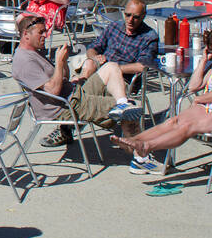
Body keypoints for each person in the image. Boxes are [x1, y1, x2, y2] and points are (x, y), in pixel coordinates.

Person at [115, 26, 212, 169]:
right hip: (210, 107)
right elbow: (193, 86)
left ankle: (147, 146)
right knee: (174, 121)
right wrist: (203, 61)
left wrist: (200, 99)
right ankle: (134, 140)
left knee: (188, 126)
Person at [12, 15, 142, 150]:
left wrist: (63, 63)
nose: (46, 35)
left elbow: (63, 79)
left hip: (73, 94)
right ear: (26, 34)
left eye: (45, 31)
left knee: (111, 67)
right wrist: (58, 63)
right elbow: (53, 91)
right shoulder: (25, 61)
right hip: (67, 107)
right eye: (41, 32)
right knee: (130, 108)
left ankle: (121, 103)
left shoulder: (33, 52)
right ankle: (140, 158)